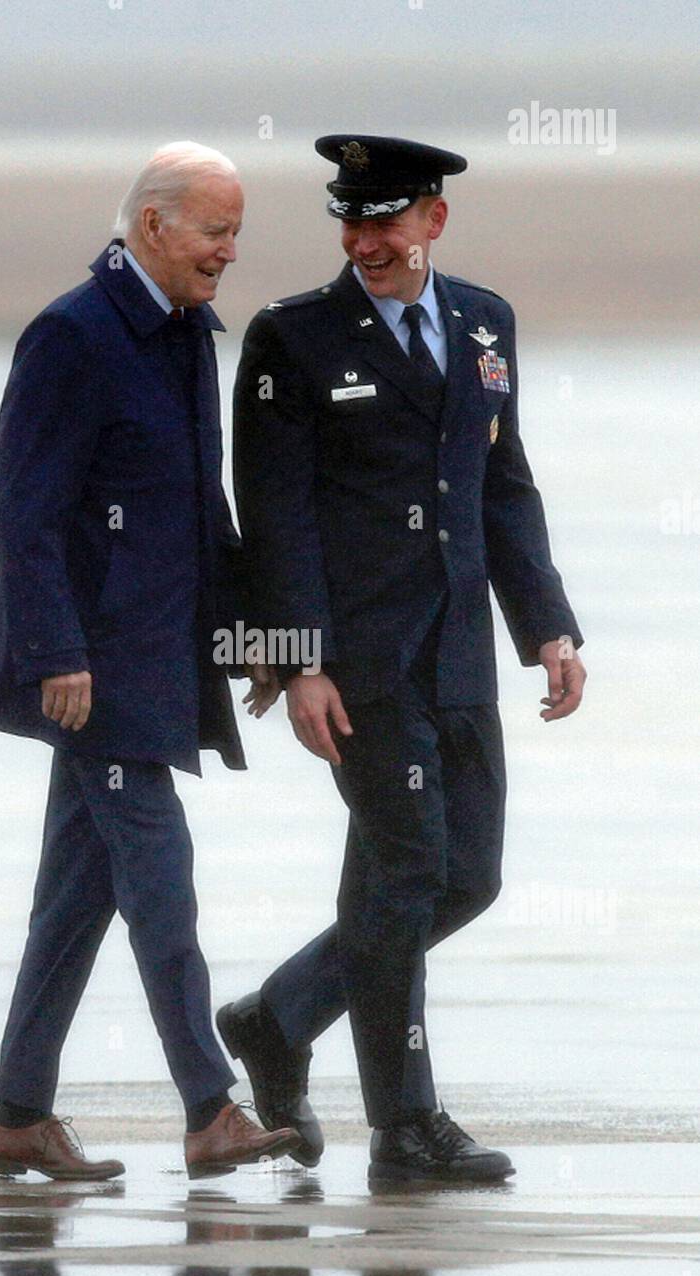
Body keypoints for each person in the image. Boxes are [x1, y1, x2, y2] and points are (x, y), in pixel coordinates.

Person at [221, 133, 587, 1188]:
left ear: (432, 219)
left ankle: (276, 1018)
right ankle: (404, 1124)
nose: (363, 241)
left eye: (383, 221)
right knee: (410, 870)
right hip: (360, 667)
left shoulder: (483, 322)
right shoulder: (291, 339)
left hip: (460, 655)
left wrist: (547, 627)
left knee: (461, 876)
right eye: (350, 220)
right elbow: (273, 516)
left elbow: (501, 484)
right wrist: (296, 664)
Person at [0, 142, 299, 1181]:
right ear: (153, 226)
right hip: (95, 674)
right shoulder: (72, 336)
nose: (229, 253)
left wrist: (255, 638)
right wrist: (55, 650)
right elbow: (18, 513)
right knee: (161, 880)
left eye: (235, 230)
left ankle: (19, 1114)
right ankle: (210, 1105)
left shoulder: (184, 337)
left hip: (159, 663)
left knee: (76, 896)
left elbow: (206, 516)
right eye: (214, 230)